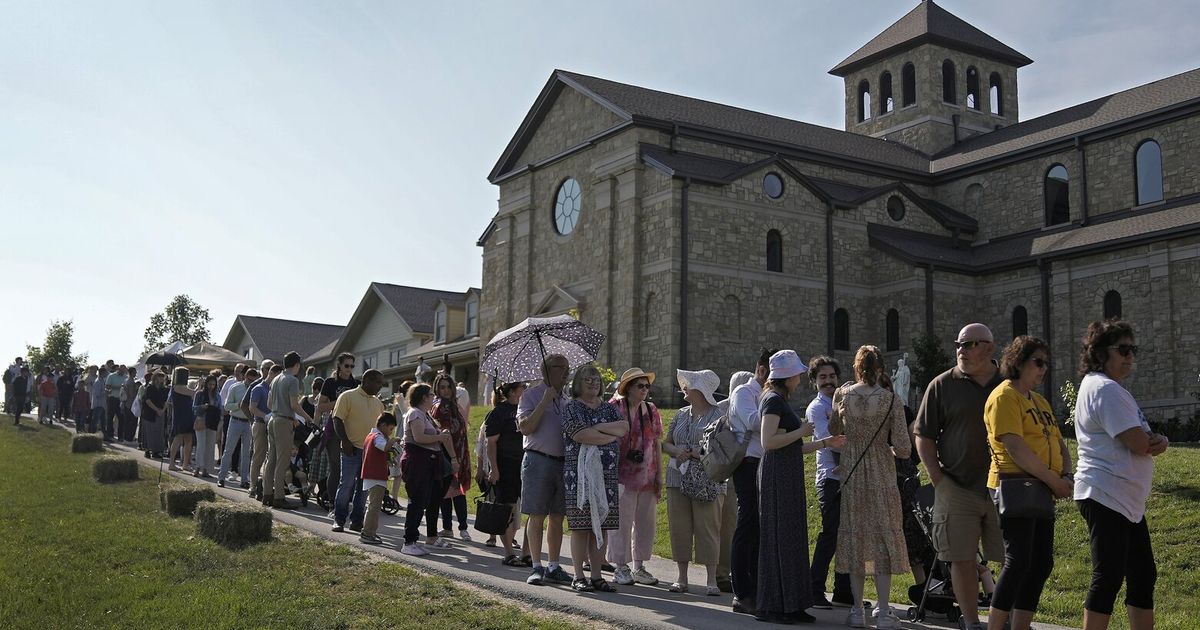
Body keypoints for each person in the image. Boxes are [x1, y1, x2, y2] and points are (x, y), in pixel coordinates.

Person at [1073, 320, 1168, 630]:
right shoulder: (1104, 389)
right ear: (1100, 353)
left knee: (1142, 574)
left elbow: (1148, 438)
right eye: (1123, 349)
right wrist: (1155, 442)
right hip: (1107, 493)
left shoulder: (1109, 388)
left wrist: (1157, 440)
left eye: (1133, 350)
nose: (1130, 356)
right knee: (1109, 576)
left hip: (1124, 500)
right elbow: (1141, 441)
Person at [914, 323, 1005, 630]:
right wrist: (938, 478)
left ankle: (1007, 620)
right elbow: (923, 435)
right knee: (962, 559)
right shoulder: (942, 384)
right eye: (958, 345)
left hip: (1004, 487)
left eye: (968, 345)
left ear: (989, 348)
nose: (960, 351)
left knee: (1012, 560)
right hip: (957, 487)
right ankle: (971, 623)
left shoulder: (1009, 383)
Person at [981, 336, 1071, 630]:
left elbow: (1059, 442)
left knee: (1042, 563)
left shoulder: (1040, 400)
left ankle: (1020, 626)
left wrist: (1066, 475)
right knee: (1018, 561)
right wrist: (1053, 480)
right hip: (1015, 486)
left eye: (1047, 363)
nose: (1044, 369)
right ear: (1018, 363)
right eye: (1038, 362)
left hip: (1043, 488)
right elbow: (1015, 447)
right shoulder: (1004, 396)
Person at [757, 350, 844, 625]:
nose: (799, 376)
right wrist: (802, 431)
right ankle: (775, 606)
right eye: (796, 372)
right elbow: (768, 442)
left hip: (787, 475)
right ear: (787, 376)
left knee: (792, 538)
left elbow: (794, 446)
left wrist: (824, 443)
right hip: (777, 477)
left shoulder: (780, 400)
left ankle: (793, 604)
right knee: (780, 538)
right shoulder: (772, 400)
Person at [828, 346, 911, 629]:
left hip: (851, 470)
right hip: (881, 475)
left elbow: (833, 430)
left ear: (856, 367)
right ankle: (885, 610)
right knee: (881, 536)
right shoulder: (891, 400)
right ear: (880, 369)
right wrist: (885, 448)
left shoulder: (842, 395)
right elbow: (903, 449)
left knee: (856, 537)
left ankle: (856, 611)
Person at [561, 365, 626, 593]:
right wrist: (608, 436)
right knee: (581, 526)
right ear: (578, 383)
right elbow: (579, 434)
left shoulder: (608, 408)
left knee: (603, 524)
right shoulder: (571, 408)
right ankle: (578, 575)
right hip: (578, 476)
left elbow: (623, 427)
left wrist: (597, 428)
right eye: (588, 380)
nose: (593, 383)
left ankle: (597, 575)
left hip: (607, 475)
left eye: (596, 379)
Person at [663, 368, 726, 596]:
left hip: (707, 480)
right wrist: (676, 450)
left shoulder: (719, 416)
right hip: (676, 477)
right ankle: (681, 578)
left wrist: (694, 452)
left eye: (689, 384)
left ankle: (711, 580)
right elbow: (666, 443)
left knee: (708, 528)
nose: (684, 387)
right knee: (679, 529)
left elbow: (721, 450)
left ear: (700, 390)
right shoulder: (680, 414)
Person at [517, 354, 575, 587]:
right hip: (538, 460)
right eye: (561, 368)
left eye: (567, 368)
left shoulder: (567, 400)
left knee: (557, 517)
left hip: (563, 463)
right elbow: (526, 428)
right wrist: (544, 401)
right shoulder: (530, 395)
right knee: (537, 515)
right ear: (546, 371)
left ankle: (553, 565)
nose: (566, 372)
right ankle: (536, 566)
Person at [725, 348, 774, 613]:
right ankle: (741, 592)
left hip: (764, 462)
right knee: (747, 523)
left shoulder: (767, 394)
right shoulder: (744, 392)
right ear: (763, 370)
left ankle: (756, 586)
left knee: (757, 526)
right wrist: (775, 412)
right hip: (746, 463)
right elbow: (754, 422)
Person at [607, 368, 662, 587]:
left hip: (647, 475)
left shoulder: (650, 409)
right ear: (628, 388)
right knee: (621, 522)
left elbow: (657, 442)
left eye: (647, 386)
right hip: (621, 475)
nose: (645, 390)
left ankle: (639, 566)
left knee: (645, 523)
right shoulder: (614, 408)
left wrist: (659, 474)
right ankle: (620, 566)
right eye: (640, 386)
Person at [806, 354, 853, 609]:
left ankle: (843, 591)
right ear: (814, 381)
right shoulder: (817, 407)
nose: (828, 381)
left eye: (832, 376)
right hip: (830, 478)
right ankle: (814, 589)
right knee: (830, 534)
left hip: (850, 477)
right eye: (822, 377)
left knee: (847, 535)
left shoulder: (845, 402)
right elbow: (832, 441)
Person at [398, 383, 455, 556]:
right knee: (416, 502)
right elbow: (419, 437)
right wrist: (439, 436)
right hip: (417, 462)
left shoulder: (425, 414)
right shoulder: (415, 413)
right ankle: (409, 542)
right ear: (423, 397)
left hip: (427, 462)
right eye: (431, 394)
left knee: (422, 501)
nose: (434, 397)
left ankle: (414, 540)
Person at [331, 369, 386, 533]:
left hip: (370, 452)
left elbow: (381, 429)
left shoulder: (378, 403)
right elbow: (337, 419)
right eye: (378, 382)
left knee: (363, 489)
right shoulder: (348, 396)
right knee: (346, 485)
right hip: (351, 449)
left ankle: (356, 521)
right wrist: (345, 441)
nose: (380, 386)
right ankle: (338, 520)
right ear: (367, 380)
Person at [484, 381, 528, 565]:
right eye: (522, 388)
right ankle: (509, 553)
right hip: (506, 466)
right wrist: (494, 468)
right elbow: (491, 443)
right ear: (511, 392)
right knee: (507, 509)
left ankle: (527, 554)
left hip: (526, 465)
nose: (525, 391)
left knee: (531, 511)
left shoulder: (527, 409)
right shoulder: (499, 412)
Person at [265, 351, 313, 509]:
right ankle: (279, 497)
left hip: (272, 419)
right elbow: (294, 405)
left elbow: (269, 405)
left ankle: (267, 494)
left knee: (271, 459)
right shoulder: (292, 380)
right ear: (297, 364)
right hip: (284, 421)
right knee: (283, 461)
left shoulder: (276, 379)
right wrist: (307, 417)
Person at [318, 353, 359, 511]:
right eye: (346, 365)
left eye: (352, 366)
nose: (349, 369)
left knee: (350, 468)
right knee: (335, 467)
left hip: (352, 428)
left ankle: (345, 502)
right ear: (339, 366)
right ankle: (332, 504)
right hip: (334, 427)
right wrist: (340, 401)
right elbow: (320, 407)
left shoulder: (356, 384)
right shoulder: (330, 383)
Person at [433, 373, 472, 540]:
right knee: (449, 492)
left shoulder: (455, 405)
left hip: (460, 453)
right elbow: (443, 434)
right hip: (447, 454)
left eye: (449, 386)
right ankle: (451, 527)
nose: (446, 390)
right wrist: (453, 457)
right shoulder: (439, 406)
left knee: (456, 492)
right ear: (437, 389)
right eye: (442, 387)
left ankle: (461, 528)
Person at [359, 411, 399, 545]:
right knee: (374, 507)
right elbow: (384, 447)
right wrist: (393, 441)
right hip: (375, 477)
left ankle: (370, 532)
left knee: (374, 506)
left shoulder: (372, 435)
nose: (391, 432)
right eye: (390, 429)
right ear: (382, 425)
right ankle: (367, 533)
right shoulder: (377, 437)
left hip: (374, 476)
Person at [245, 362, 280, 499]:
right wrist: (265, 416)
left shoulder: (275, 389)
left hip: (272, 425)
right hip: (260, 424)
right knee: (258, 456)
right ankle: (253, 486)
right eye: (276, 376)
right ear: (271, 373)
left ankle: (264, 486)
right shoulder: (258, 388)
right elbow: (251, 407)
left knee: (270, 457)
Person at [219, 367, 257, 488]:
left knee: (246, 453)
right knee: (228, 450)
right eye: (249, 380)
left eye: (253, 380)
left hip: (248, 423)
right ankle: (221, 478)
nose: (250, 383)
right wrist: (238, 405)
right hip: (235, 420)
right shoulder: (235, 387)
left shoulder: (255, 389)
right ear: (244, 377)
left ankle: (244, 480)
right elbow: (226, 406)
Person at [165, 367, 199, 471]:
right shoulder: (177, 387)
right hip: (181, 415)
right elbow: (194, 393)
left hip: (187, 414)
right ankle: (171, 463)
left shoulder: (181, 387)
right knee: (178, 438)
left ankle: (185, 463)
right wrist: (199, 384)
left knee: (188, 439)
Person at [191, 374, 222, 479]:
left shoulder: (217, 395)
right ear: (206, 384)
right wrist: (202, 407)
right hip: (201, 420)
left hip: (212, 422)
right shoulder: (199, 394)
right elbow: (194, 408)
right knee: (201, 445)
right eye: (210, 384)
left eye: (213, 384)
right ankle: (197, 468)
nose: (211, 386)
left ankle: (206, 469)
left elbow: (219, 408)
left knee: (210, 447)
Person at [104, 364, 128, 442]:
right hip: (112, 398)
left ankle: (120, 436)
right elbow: (107, 386)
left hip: (121, 400)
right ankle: (110, 435)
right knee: (110, 417)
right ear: (118, 369)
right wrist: (118, 387)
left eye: (124, 371)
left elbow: (126, 388)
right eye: (121, 370)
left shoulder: (125, 377)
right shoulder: (111, 376)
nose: (123, 372)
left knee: (121, 418)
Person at [121, 370, 139, 442]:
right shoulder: (131, 382)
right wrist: (137, 389)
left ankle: (126, 436)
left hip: (125, 403)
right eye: (135, 372)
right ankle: (129, 437)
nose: (135, 374)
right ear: (131, 373)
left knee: (127, 421)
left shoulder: (125, 380)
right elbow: (131, 395)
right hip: (130, 404)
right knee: (132, 421)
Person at [90, 366, 108, 436]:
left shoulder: (102, 381)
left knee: (103, 421)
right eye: (105, 373)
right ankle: (92, 434)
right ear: (102, 373)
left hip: (102, 404)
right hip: (97, 404)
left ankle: (104, 435)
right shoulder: (97, 382)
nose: (106, 374)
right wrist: (105, 392)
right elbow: (97, 394)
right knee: (95, 420)